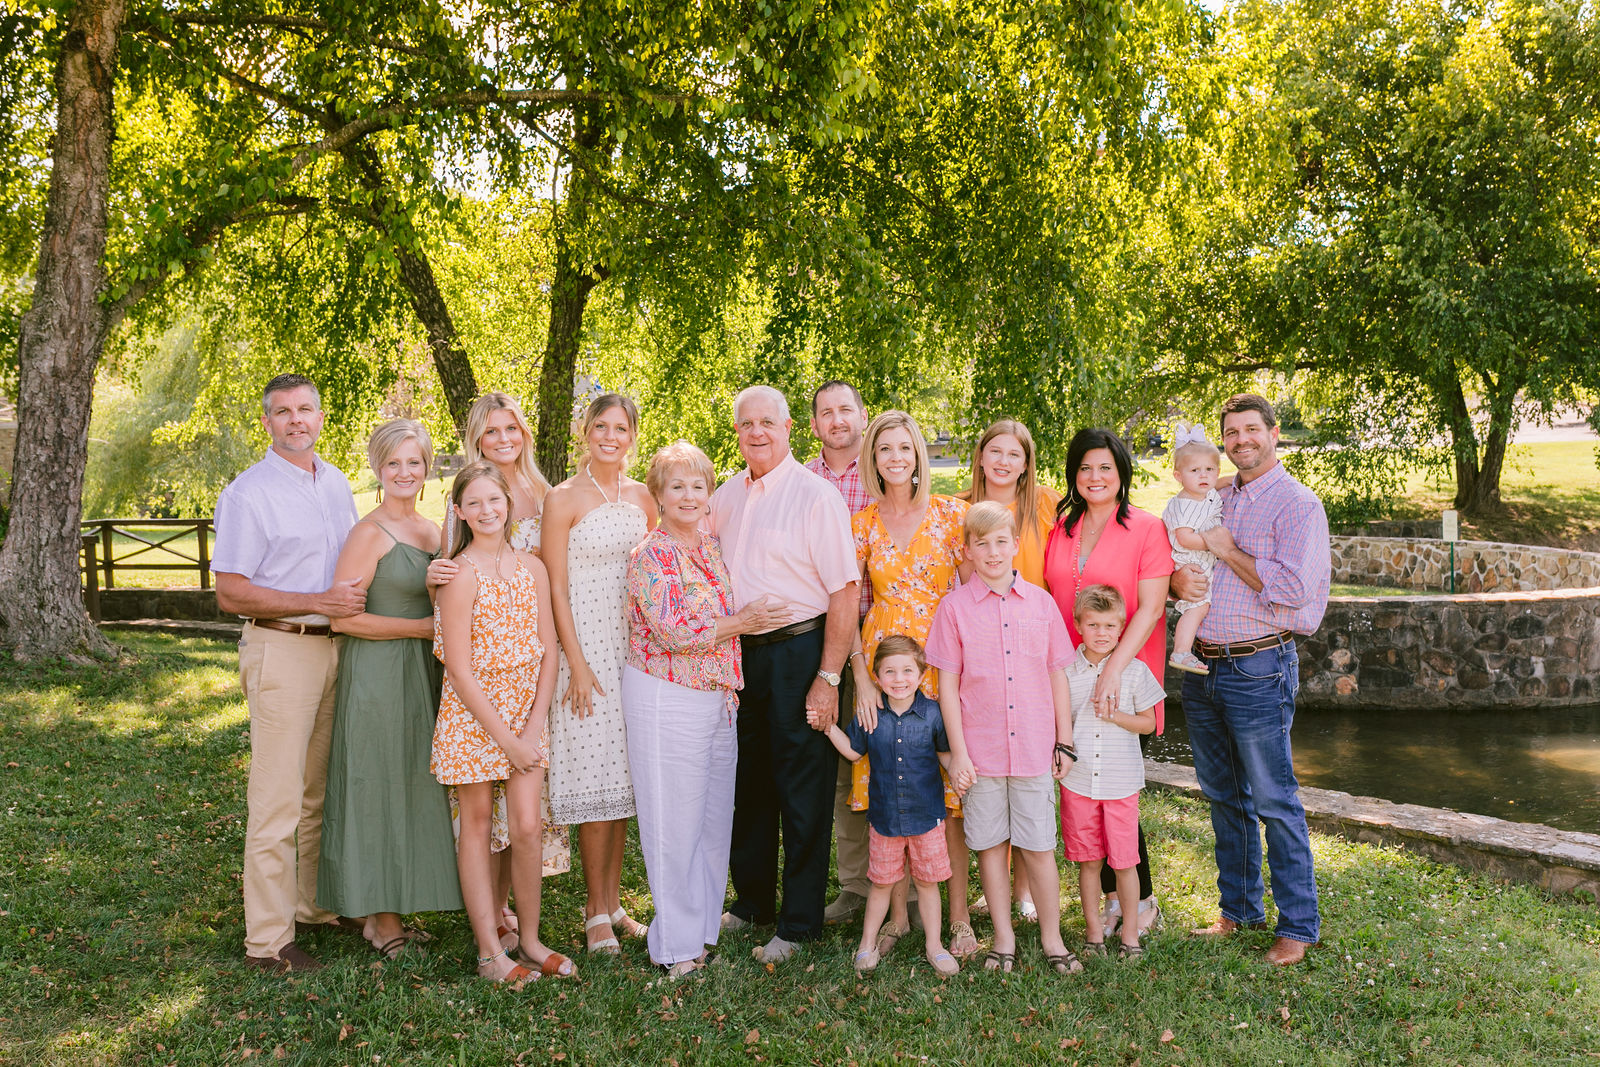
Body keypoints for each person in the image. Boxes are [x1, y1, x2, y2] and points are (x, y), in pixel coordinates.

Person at [213, 373, 365, 973]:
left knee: (317, 793)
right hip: (281, 649)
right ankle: (267, 942)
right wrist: (316, 601)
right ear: (268, 422)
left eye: (305, 409)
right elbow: (230, 592)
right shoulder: (248, 494)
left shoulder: (335, 483)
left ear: (320, 417)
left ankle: (311, 907)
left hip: (335, 649)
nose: (295, 420)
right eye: (283, 412)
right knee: (276, 799)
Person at [1176, 394, 1331, 967]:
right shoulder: (1216, 496)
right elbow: (1180, 553)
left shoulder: (1297, 506)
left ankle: (1298, 925)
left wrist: (1227, 549)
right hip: (1204, 666)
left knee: (1273, 798)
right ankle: (1239, 910)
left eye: (1250, 430)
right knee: (1223, 796)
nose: (1240, 440)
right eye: (1231, 433)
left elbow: (1292, 592)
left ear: (1273, 432)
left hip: (1259, 667)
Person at [709, 384, 860, 965]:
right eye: (747, 424)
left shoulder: (815, 496)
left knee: (803, 787)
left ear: (790, 426)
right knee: (748, 781)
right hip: (741, 654)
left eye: (767, 422)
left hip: (801, 652)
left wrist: (827, 677)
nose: (757, 433)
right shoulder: (725, 496)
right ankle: (751, 902)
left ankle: (798, 922)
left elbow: (844, 593)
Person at [623, 441, 784, 979]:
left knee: (712, 819)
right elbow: (672, 631)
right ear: (659, 495)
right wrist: (744, 622)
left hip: (717, 696)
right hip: (667, 695)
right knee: (674, 820)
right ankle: (672, 945)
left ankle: (700, 931)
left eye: (698, 486)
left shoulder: (709, 547)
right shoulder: (651, 553)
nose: (689, 496)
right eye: (677, 487)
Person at [317, 419, 462, 959]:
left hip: (424, 674)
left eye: (414, 462)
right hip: (377, 672)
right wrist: (423, 629)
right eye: (393, 463)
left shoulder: (434, 531)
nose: (405, 472)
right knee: (376, 782)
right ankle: (379, 920)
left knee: (411, 781)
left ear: (427, 469)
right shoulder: (368, 533)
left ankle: (397, 903)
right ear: (378, 470)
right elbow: (344, 621)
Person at [431, 461, 573, 986]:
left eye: (495, 501)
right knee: (476, 826)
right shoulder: (458, 575)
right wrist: (506, 740)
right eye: (475, 503)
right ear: (460, 511)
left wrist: (531, 731)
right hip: (475, 717)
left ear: (507, 506)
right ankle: (490, 951)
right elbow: (460, 670)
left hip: (526, 716)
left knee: (528, 826)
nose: (487, 511)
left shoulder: (532, 567)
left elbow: (549, 653)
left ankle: (530, 939)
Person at [927, 501, 1080, 975]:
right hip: (981, 752)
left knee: (1037, 845)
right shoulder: (953, 610)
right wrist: (957, 755)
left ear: (1015, 545)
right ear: (967, 550)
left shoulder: (1042, 604)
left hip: (1035, 747)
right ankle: (1003, 938)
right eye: (981, 543)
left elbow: (1058, 676)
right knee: (990, 845)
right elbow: (947, 687)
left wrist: (1065, 741)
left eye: (1001, 542)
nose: (992, 552)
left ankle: (1053, 940)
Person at [845, 410, 975, 958]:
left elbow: (972, 597)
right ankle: (897, 917)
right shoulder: (861, 524)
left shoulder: (952, 517)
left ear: (918, 454)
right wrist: (861, 676)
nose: (895, 458)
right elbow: (848, 608)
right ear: (872, 459)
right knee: (890, 790)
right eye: (884, 450)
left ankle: (961, 920)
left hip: (941, 666)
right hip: (883, 670)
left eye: (904, 448)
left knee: (948, 797)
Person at [1041, 428, 1173, 941]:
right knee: (1084, 777)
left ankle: (1139, 899)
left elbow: (1153, 606)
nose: (1094, 477)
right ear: (1074, 475)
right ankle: (1112, 899)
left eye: (1105, 468)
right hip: (1067, 671)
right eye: (1084, 468)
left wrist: (1115, 668)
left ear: (1121, 473)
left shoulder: (1146, 527)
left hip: (1124, 670)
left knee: (1115, 781)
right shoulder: (1063, 524)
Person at [542, 393, 655, 953]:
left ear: (633, 434)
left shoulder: (643, 498)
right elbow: (555, 588)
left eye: (621, 428)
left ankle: (614, 903)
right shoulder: (562, 498)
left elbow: (661, 571)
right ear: (585, 430)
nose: (610, 436)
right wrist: (577, 666)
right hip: (583, 652)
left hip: (636, 653)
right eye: (601, 426)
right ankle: (593, 911)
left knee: (625, 780)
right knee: (593, 776)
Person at [813, 636, 969, 977]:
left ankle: (935, 945)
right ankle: (867, 943)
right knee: (882, 884)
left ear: (921, 673)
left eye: (907, 671)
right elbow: (854, 752)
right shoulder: (872, 714)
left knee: (928, 883)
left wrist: (960, 768)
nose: (899, 679)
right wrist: (828, 729)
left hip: (926, 818)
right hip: (884, 820)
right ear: (878, 677)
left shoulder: (932, 714)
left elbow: (946, 756)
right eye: (890, 672)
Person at [957, 418, 1061, 922]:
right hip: (977, 641)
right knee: (989, 781)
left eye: (1014, 454)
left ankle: (1024, 892)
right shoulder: (958, 508)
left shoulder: (1044, 504)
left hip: (1032, 633)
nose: (1003, 461)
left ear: (1026, 463)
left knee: (1029, 780)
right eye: (994, 451)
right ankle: (992, 891)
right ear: (980, 456)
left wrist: (1210, 483)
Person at [803, 379, 875, 926]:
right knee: (842, 760)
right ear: (813, 425)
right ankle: (854, 885)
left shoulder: (886, 470)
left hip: (889, 636)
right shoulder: (801, 482)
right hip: (826, 638)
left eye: (844, 410)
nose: (836, 420)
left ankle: (911, 882)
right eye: (825, 413)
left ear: (861, 414)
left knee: (902, 754)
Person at [1060, 585, 1163, 960]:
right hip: (1080, 781)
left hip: (1120, 783)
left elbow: (1149, 724)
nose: (1101, 633)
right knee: (1089, 861)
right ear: (1078, 626)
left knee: (1125, 861)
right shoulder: (1066, 671)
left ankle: (1130, 935)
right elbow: (1060, 723)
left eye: (1110, 625)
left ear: (1121, 628)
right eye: (1093, 625)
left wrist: (1115, 715)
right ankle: (1093, 935)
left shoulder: (1134, 671)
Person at [1163, 424, 1224, 675]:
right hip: (1190, 560)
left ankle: (1186, 650)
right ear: (1179, 476)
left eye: (1210, 470)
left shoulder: (1207, 494)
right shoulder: (1184, 503)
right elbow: (1185, 538)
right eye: (1195, 470)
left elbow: (1221, 485)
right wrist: (1218, 545)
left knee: (1202, 606)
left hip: (1202, 558)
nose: (1203, 476)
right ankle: (1181, 651)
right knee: (1197, 606)